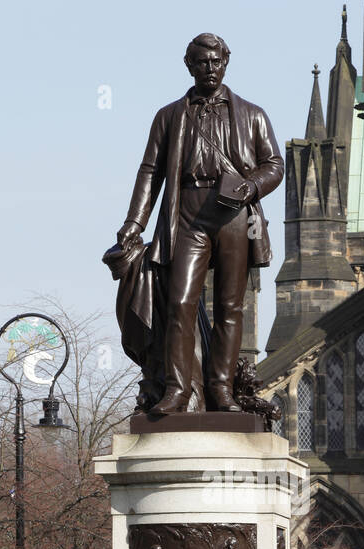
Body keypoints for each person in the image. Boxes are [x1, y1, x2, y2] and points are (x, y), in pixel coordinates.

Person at [116, 33, 283, 416]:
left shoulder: (252, 114)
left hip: (234, 213)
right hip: (187, 211)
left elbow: (275, 166)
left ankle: (221, 390)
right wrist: (134, 222)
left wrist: (250, 186)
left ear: (226, 63)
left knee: (230, 306)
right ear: (189, 66)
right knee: (180, 302)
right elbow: (150, 173)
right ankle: (177, 390)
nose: (210, 68)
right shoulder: (169, 116)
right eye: (202, 62)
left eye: (216, 62)